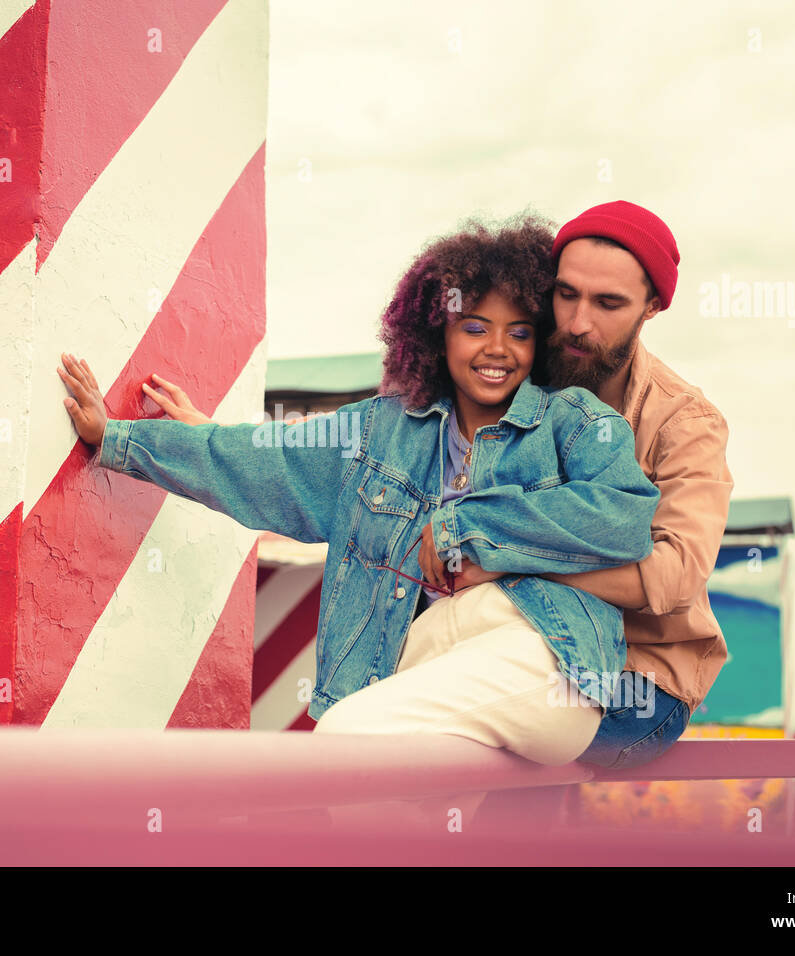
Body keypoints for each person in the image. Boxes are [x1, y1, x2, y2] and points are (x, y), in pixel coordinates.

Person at [58, 212, 661, 776]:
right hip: (420, 672)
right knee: (405, 818)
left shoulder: (575, 420)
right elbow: (260, 460)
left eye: (519, 332)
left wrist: (467, 527)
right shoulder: (378, 432)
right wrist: (117, 438)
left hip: (544, 660)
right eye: (473, 327)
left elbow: (624, 518)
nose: (496, 348)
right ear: (436, 333)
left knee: (346, 743)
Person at [452, 200, 735, 773]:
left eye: (608, 303)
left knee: (499, 777)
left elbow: (674, 575)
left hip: (638, 675)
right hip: (513, 643)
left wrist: (509, 562)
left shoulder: (686, 422)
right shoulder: (510, 376)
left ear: (652, 306)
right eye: (566, 294)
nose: (579, 322)